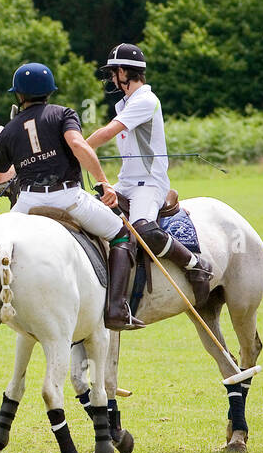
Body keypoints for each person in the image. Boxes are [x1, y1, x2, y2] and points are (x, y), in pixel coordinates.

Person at [0, 62, 142, 331]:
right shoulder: (63, 114)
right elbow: (76, 144)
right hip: (69, 199)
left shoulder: (10, 130)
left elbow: (1, 178)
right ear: (49, 91)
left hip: (27, 204)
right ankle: (117, 308)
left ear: (19, 95)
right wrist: (103, 182)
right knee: (122, 233)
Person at [85, 42, 213, 307]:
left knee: (143, 229)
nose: (111, 78)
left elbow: (107, 133)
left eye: (113, 72)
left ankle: (194, 265)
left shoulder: (145, 100)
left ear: (124, 72)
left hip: (150, 184)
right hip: (126, 183)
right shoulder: (125, 103)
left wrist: (78, 147)